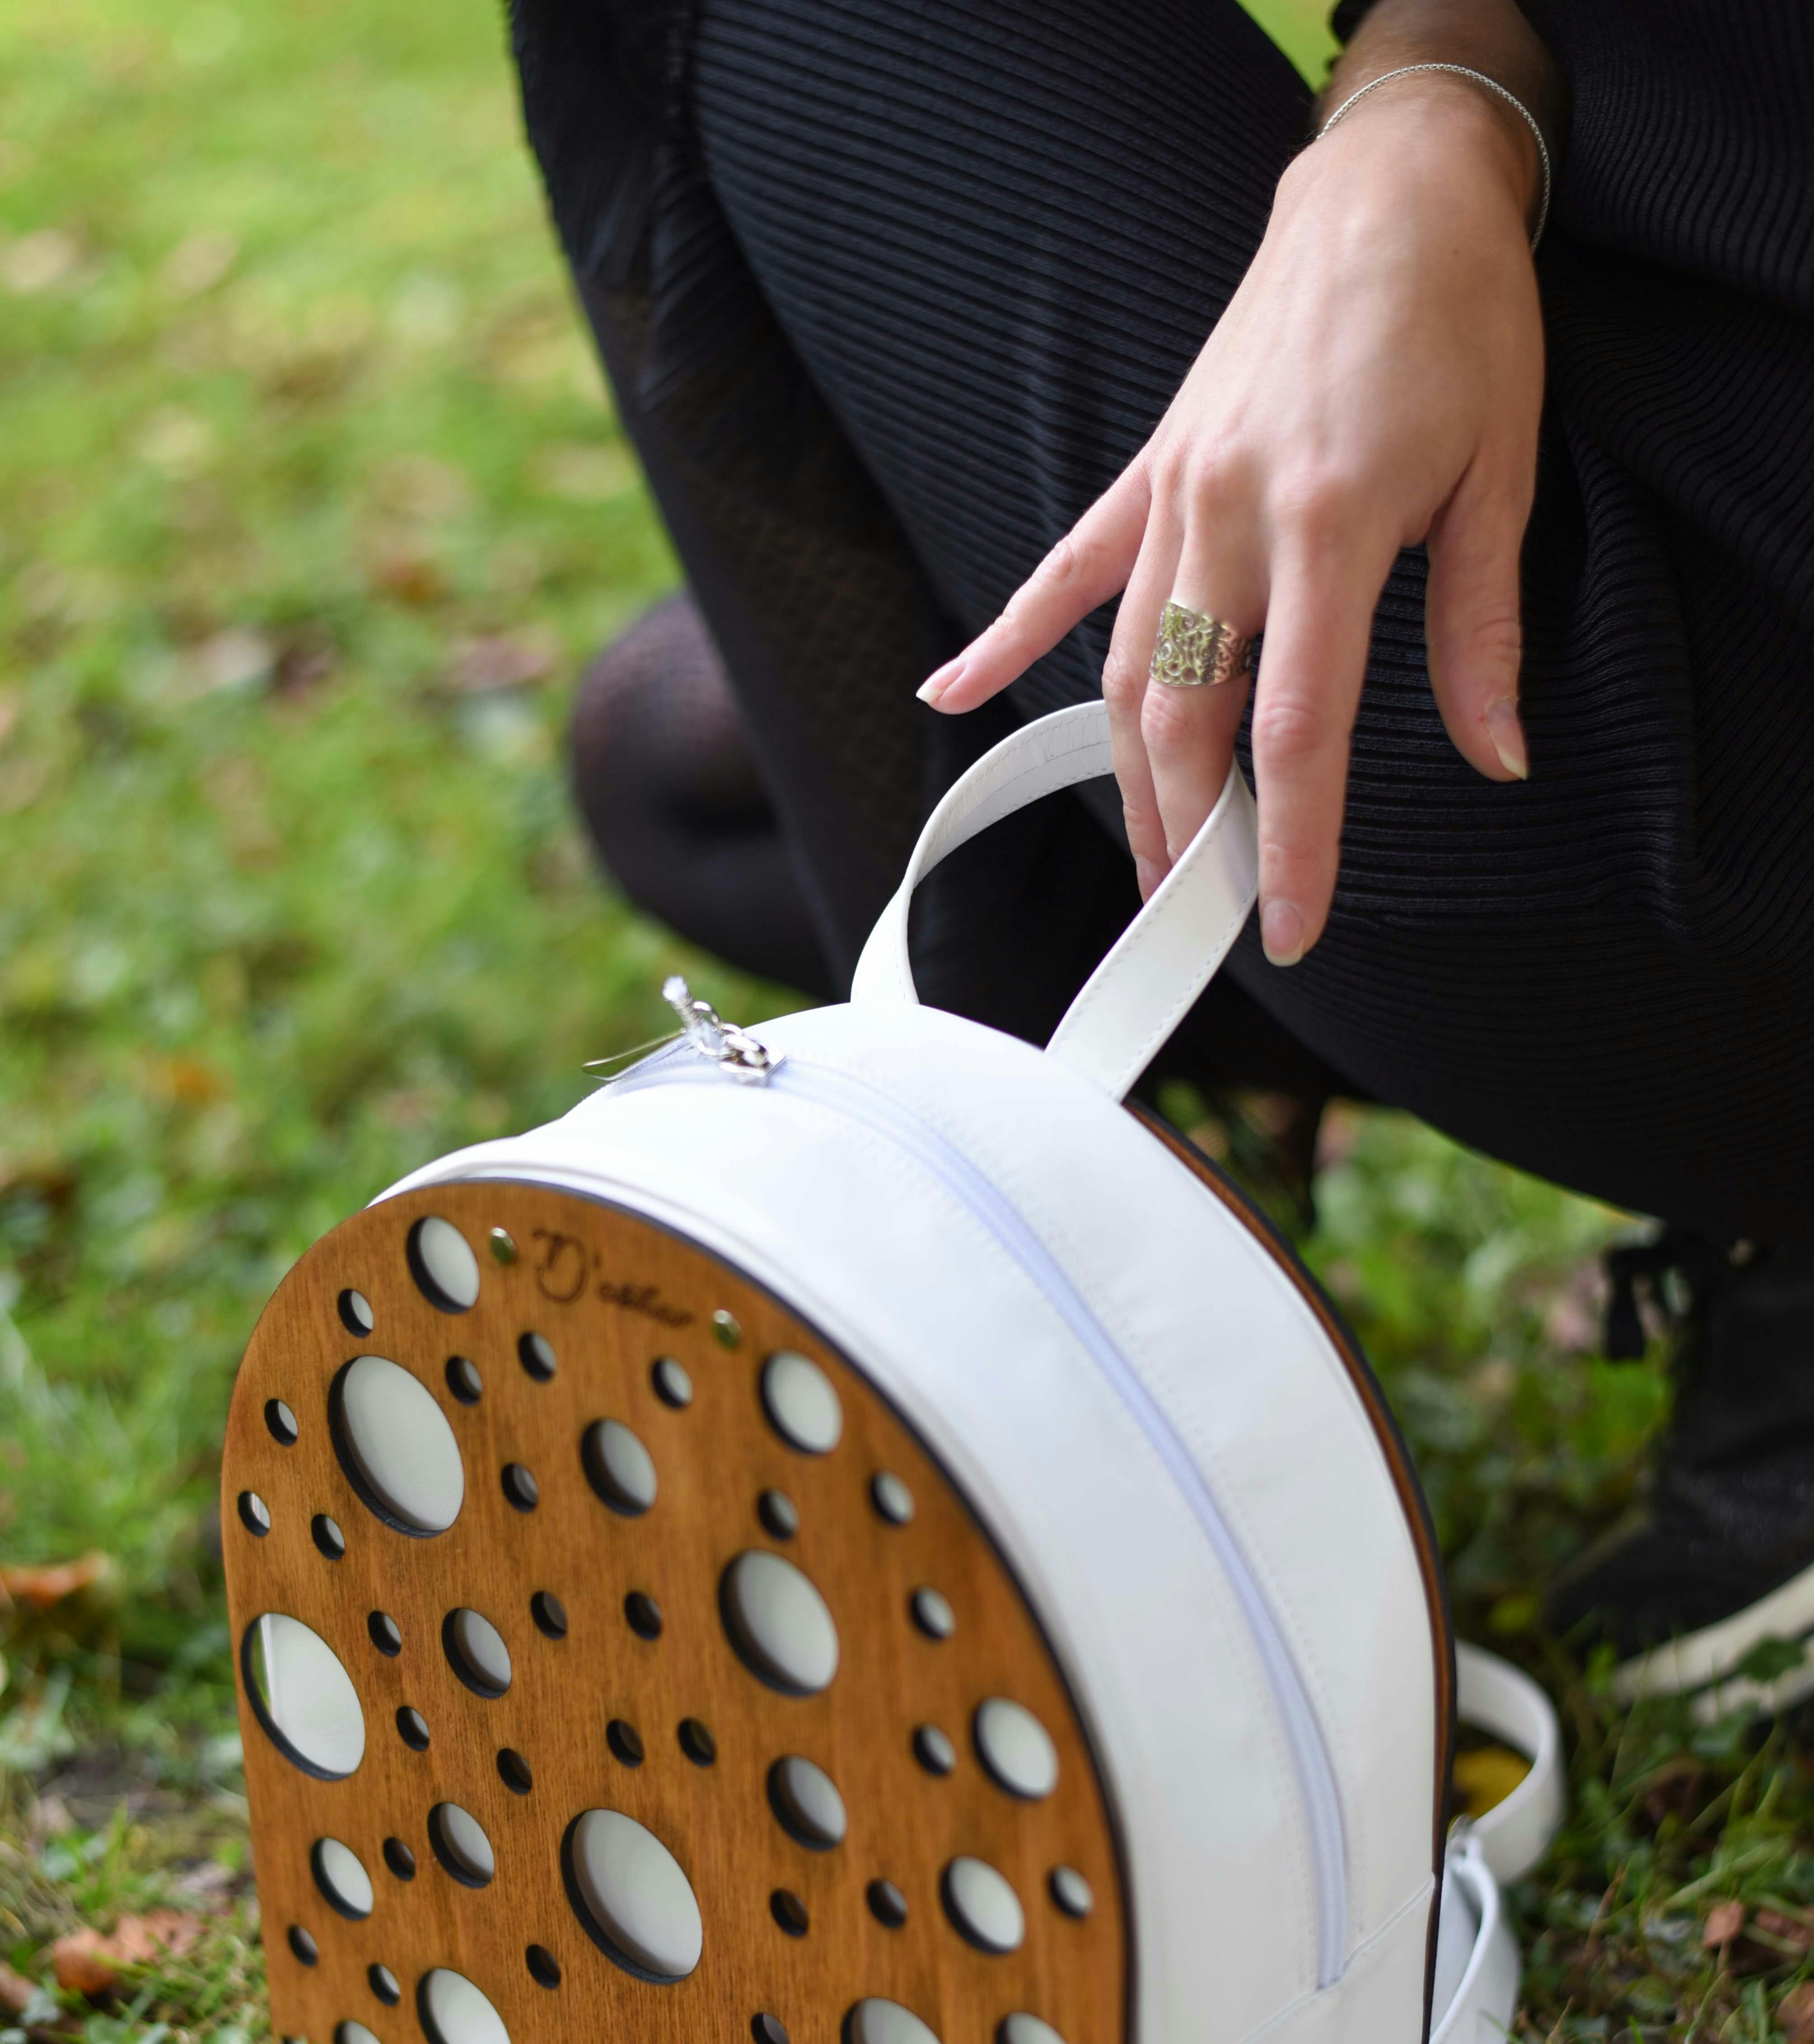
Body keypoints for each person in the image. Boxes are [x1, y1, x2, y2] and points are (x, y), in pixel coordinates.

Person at [511, 0, 1814, 1699]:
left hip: (1681, 754)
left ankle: (1000, 1336)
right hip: (1623, 570)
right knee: (689, 774)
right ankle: (1041, 1212)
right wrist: (1429, 113)